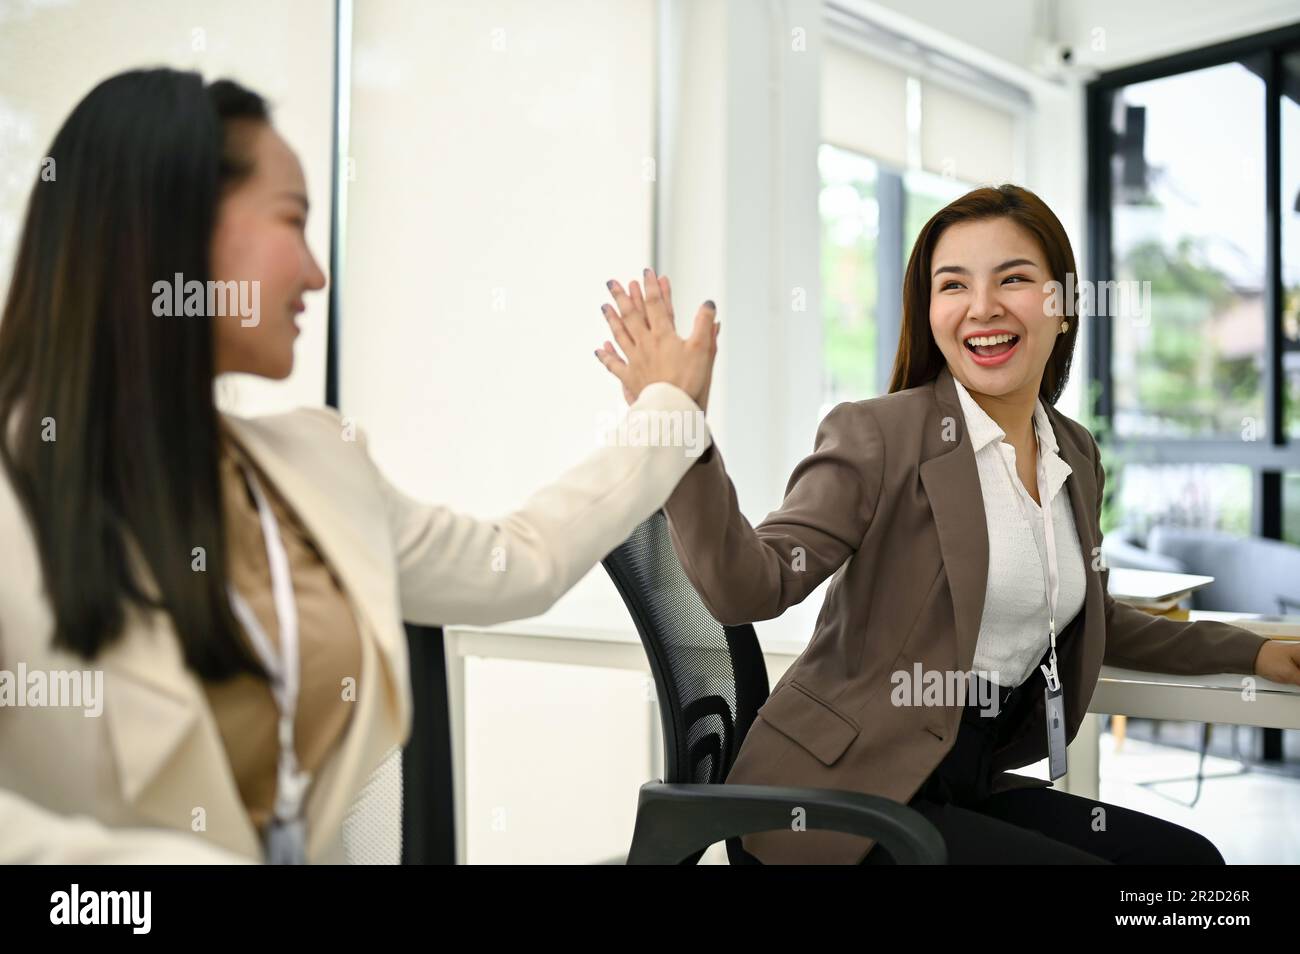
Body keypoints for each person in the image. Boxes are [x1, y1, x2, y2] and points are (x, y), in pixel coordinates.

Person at [0, 68, 717, 863]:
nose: (316, 272)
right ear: (170, 225)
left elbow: (520, 560)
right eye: (292, 221)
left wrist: (665, 412)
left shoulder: (314, 464)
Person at [596, 184, 1300, 864]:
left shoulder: (1075, 453)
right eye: (953, 285)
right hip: (835, 798)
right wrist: (680, 427)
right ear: (928, 310)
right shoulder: (879, 436)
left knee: (1186, 862)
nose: (982, 308)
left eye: (1013, 279)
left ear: (1063, 306)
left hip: (962, 779)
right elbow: (751, 587)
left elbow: (1091, 617)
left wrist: (1250, 652)